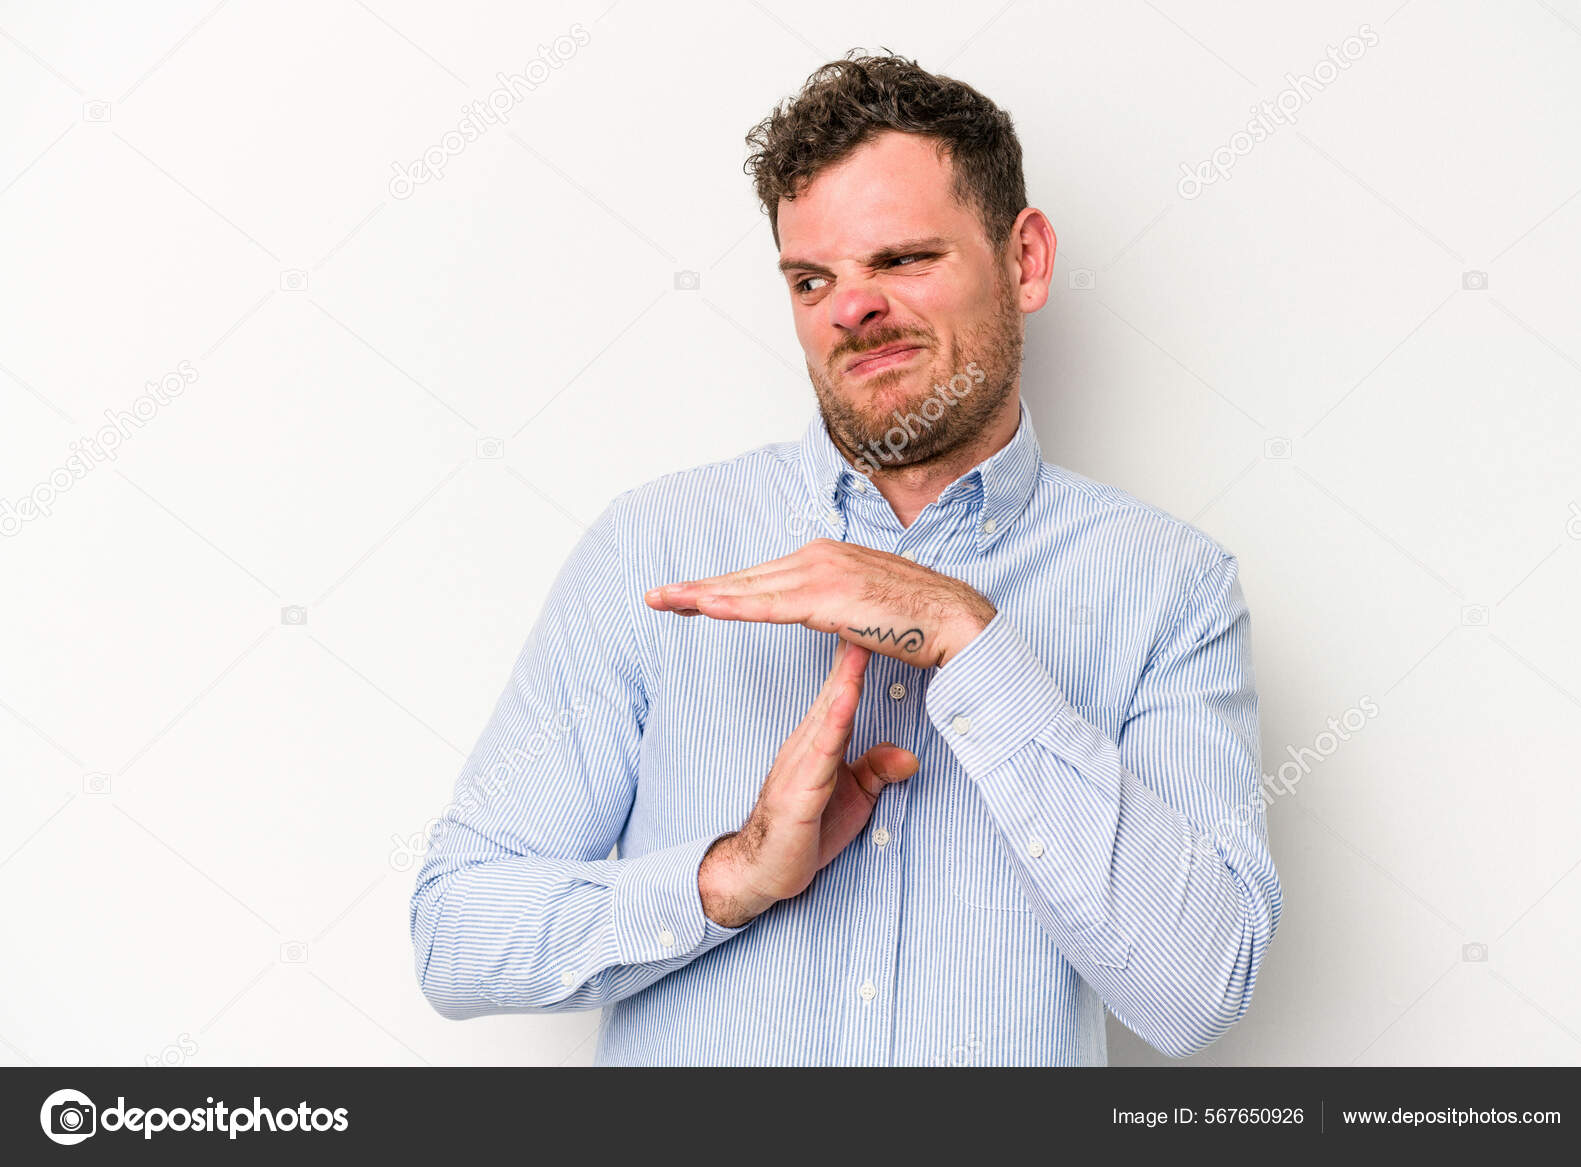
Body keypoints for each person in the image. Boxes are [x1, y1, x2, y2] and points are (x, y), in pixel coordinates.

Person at [410, 50, 1281, 1066]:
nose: (849, 309)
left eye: (903, 259)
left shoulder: (1168, 587)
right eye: (811, 278)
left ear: (1025, 260)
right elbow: (455, 933)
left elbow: (1200, 988)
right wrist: (725, 878)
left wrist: (971, 641)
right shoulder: (657, 547)